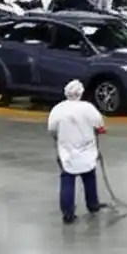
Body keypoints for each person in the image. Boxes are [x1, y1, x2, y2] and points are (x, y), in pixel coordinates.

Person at [47, 80, 106, 224]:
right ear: (81, 93)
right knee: (89, 177)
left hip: (66, 151)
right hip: (87, 150)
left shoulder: (58, 109)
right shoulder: (88, 108)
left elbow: (52, 129)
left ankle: (68, 213)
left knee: (67, 178)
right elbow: (99, 124)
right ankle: (93, 205)